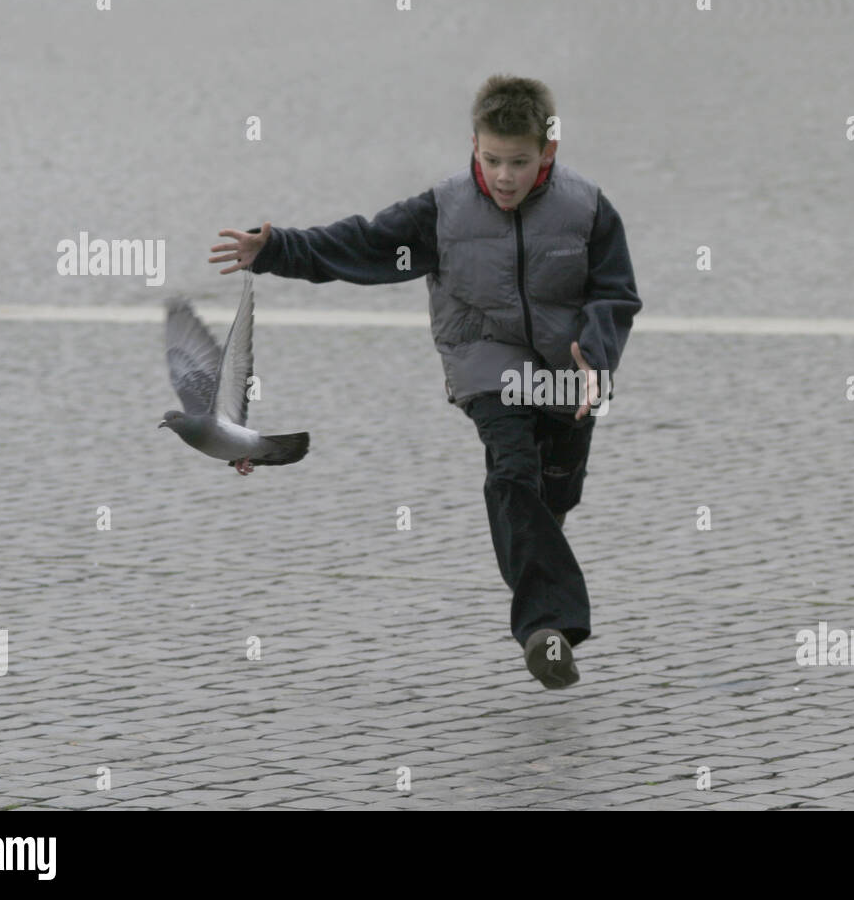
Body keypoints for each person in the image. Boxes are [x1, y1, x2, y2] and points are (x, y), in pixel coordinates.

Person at [209, 74, 641, 689]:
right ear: (473, 146)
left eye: (519, 162)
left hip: (570, 375)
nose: (504, 177)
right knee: (512, 471)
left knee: (552, 498)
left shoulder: (588, 208)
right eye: (491, 160)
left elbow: (615, 292)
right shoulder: (443, 211)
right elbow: (362, 243)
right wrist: (276, 249)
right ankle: (548, 629)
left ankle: (539, 559)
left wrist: (594, 359)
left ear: (548, 151)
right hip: (485, 363)